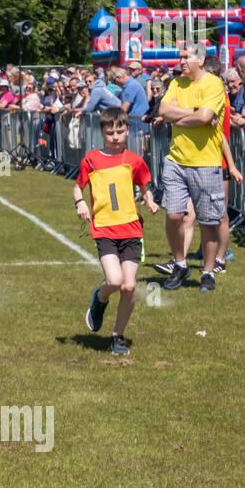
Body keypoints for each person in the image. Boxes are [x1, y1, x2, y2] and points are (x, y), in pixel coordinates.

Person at [74, 107, 158, 356]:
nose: (115, 137)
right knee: (114, 281)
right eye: (110, 132)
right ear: (102, 132)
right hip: (105, 229)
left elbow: (144, 186)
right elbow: (78, 186)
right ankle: (99, 298)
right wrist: (80, 203)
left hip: (131, 229)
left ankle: (117, 337)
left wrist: (150, 200)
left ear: (127, 131)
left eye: (119, 132)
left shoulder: (134, 160)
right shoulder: (91, 159)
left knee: (129, 286)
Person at [156, 44, 226, 292]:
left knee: (208, 221)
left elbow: (205, 118)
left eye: (187, 57)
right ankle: (180, 263)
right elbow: (163, 110)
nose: (182, 61)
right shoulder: (176, 83)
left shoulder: (213, 84)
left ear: (201, 60)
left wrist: (180, 118)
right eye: (181, 57)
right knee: (173, 215)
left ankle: (208, 272)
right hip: (176, 160)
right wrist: (193, 113)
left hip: (205, 162)